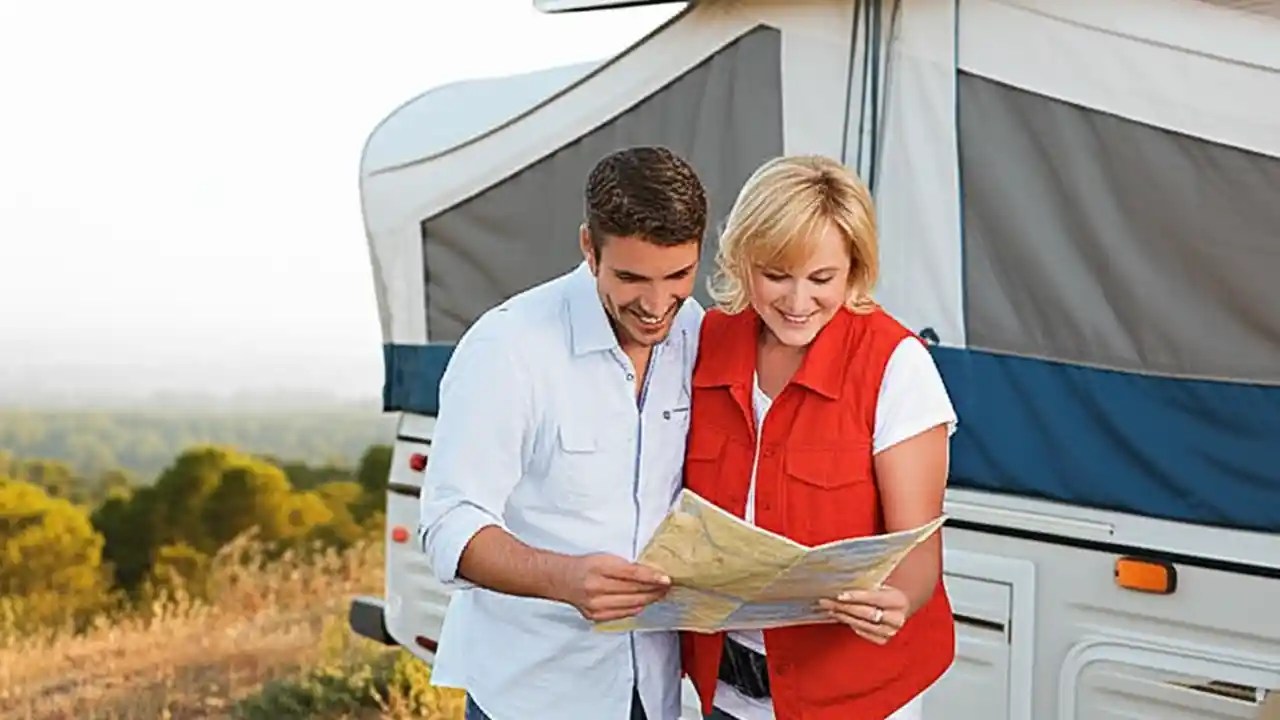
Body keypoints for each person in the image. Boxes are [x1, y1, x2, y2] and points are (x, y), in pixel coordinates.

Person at [416, 145, 709, 720]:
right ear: (588, 248)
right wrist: (565, 579)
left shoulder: (696, 330)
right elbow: (450, 523)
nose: (656, 305)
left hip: (656, 691)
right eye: (630, 278)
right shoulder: (508, 347)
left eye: (678, 275)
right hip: (534, 694)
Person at [680, 155, 958, 720]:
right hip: (725, 691)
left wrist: (897, 600)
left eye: (821, 279)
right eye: (776, 275)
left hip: (855, 699)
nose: (797, 301)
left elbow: (918, 554)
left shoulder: (896, 365)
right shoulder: (707, 339)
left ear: (854, 269)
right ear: (743, 259)